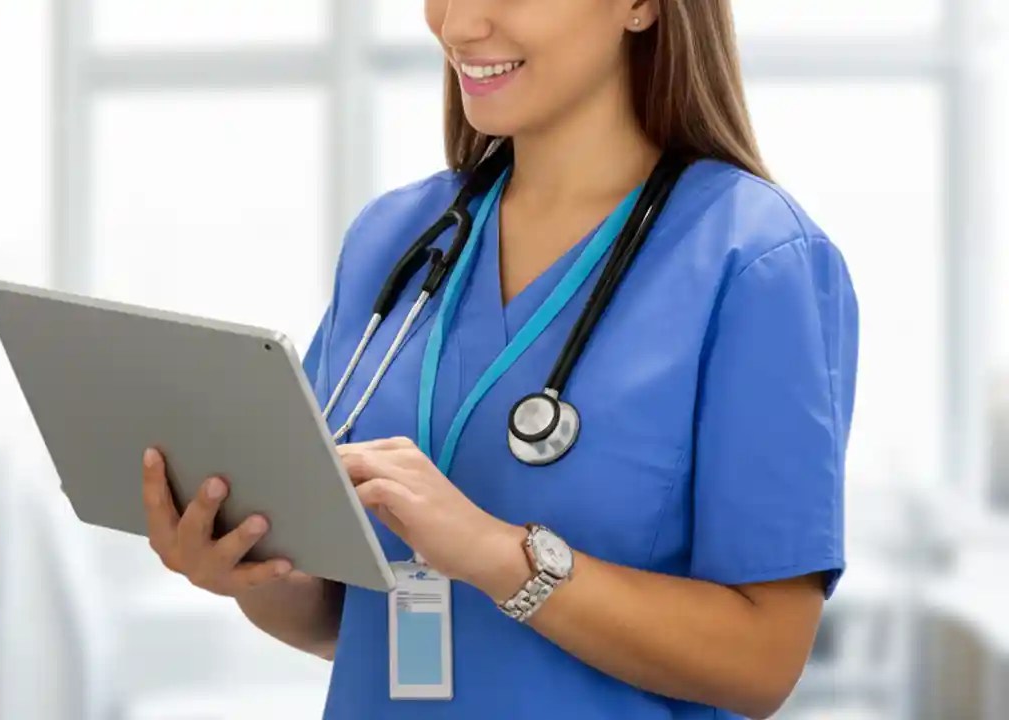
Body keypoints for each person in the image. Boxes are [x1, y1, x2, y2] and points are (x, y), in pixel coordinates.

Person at [141, 1, 858, 717]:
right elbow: (342, 617)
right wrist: (245, 565)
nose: (458, 26)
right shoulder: (395, 241)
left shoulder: (757, 260)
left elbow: (763, 662)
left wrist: (496, 555)